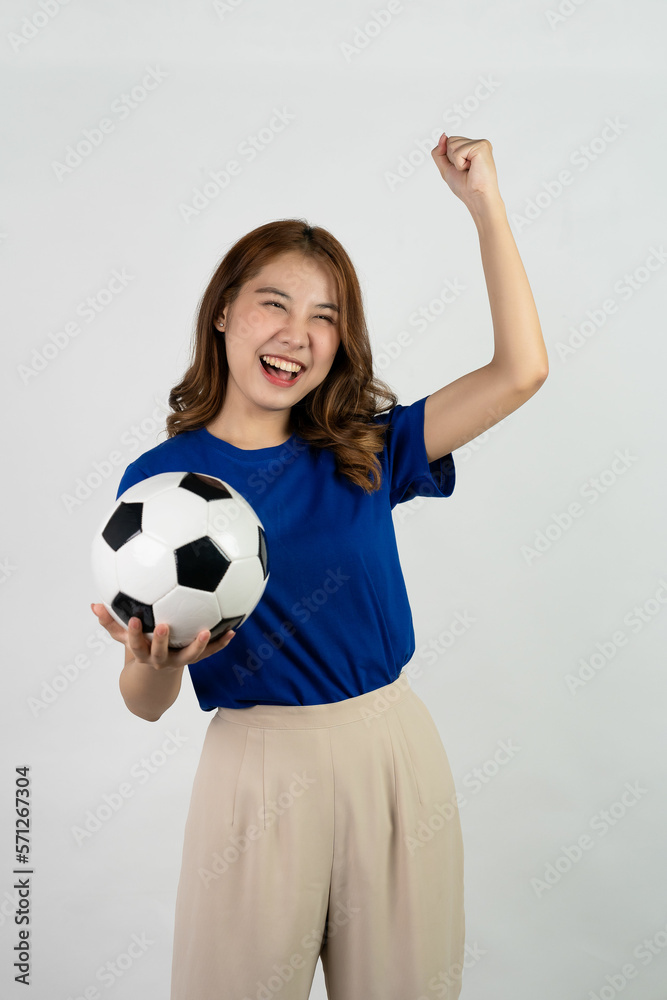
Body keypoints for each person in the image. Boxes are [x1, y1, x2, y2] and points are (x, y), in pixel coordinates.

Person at [91, 133, 548, 1000]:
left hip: (390, 753)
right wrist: (146, 668)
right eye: (273, 304)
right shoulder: (159, 488)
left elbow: (521, 371)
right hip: (253, 766)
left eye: (325, 317)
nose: (296, 335)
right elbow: (147, 703)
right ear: (223, 311)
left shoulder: (363, 450)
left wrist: (484, 203)